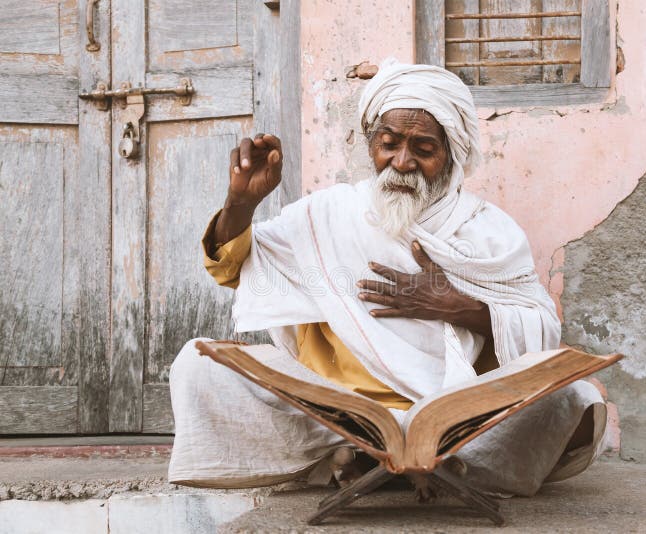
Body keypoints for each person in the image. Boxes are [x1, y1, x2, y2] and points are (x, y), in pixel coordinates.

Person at [168, 60, 607, 497]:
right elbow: (232, 267)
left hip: (454, 416)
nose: (401, 162)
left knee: (575, 399)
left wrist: (458, 306)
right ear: (371, 145)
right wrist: (240, 202)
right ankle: (378, 455)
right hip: (335, 412)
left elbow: (542, 331)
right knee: (198, 365)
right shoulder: (327, 215)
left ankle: (397, 459)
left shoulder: (488, 230)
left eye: (423, 149)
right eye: (388, 143)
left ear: (451, 155)